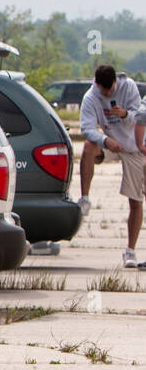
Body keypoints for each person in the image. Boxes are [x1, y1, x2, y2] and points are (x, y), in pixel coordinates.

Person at [79, 64, 146, 267]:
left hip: (133, 147)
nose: (108, 93)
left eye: (111, 89)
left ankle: (130, 252)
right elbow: (87, 128)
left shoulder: (129, 87)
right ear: (96, 84)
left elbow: (140, 116)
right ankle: (85, 198)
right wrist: (105, 141)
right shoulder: (90, 97)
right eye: (104, 90)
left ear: (116, 81)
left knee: (136, 201)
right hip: (110, 143)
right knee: (89, 146)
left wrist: (125, 114)